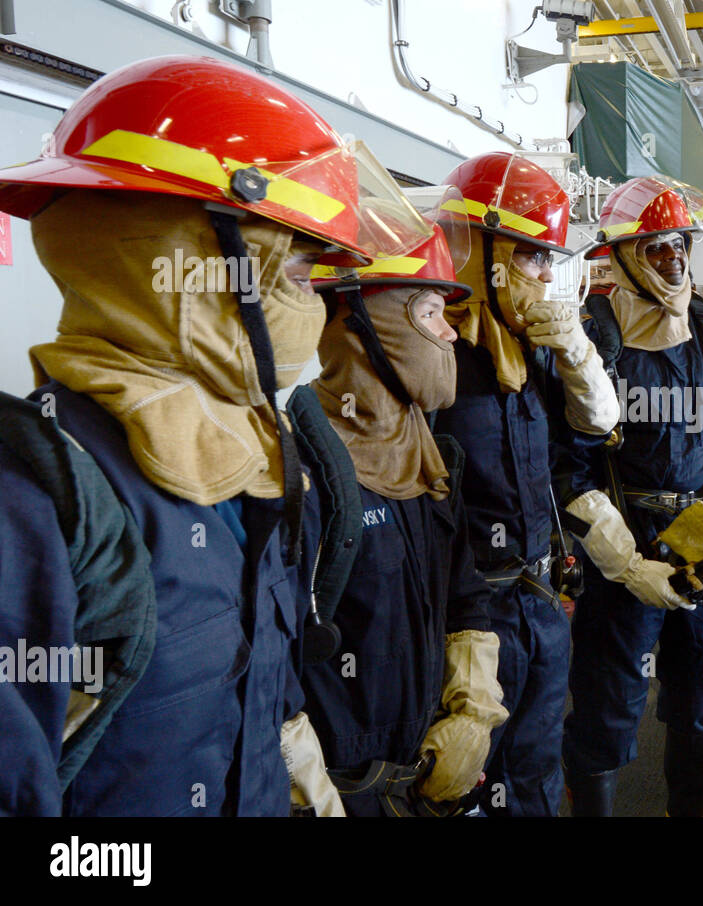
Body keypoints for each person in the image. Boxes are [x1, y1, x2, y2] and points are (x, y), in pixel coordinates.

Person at [0, 55, 426, 815]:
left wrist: (288, 744)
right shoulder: (35, 496)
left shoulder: (261, 457)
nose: (315, 303)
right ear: (192, 257)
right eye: (299, 271)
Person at [559, 175, 703, 817]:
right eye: (656, 248)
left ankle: (693, 805)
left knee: (701, 696)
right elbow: (570, 470)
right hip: (618, 549)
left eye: (679, 245)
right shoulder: (587, 337)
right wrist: (628, 566)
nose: (673, 260)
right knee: (607, 705)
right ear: (622, 255)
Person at [298, 213, 509, 816]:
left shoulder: (428, 456)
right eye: (429, 313)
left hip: (424, 764)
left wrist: (472, 711)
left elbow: (465, 592)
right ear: (365, 323)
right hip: (344, 779)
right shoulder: (301, 470)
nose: (449, 335)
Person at [435, 152, 619, 817]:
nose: (546, 276)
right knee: (468, 783)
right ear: (480, 250)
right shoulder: (429, 359)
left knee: (538, 765)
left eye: (551, 259)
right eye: (532, 256)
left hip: (542, 601)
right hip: (470, 619)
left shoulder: (538, 351)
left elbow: (594, 431)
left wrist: (578, 355)